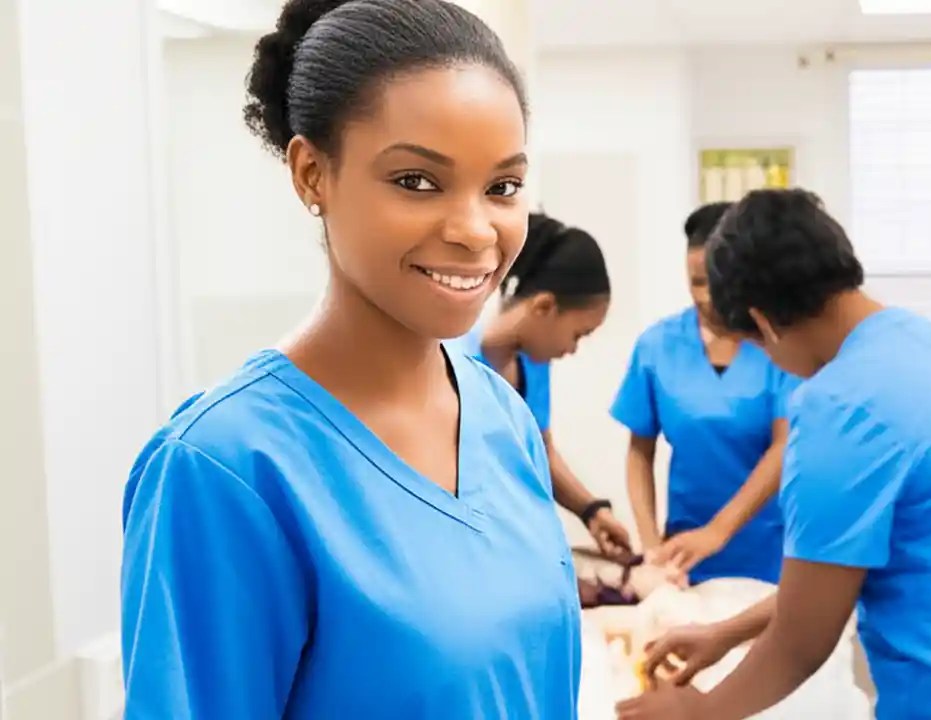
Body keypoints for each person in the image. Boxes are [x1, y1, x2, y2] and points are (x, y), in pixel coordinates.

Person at [120, 1, 580, 717]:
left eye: (503, 187)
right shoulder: (224, 468)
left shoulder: (502, 419)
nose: (474, 230)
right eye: (417, 182)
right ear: (312, 174)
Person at [617, 189, 931, 720]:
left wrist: (701, 713)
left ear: (763, 324)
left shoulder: (839, 407)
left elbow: (803, 641)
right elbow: (835, 577)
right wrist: (726, 633)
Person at [611, 202, 795, 584]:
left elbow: (785, 445)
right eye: (696, 282)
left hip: (770, 557)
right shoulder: (658, 346)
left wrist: (718, 532)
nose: (706, 297)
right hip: (684, 557)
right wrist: (651, 548)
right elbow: (639, 452)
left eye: (716, 282)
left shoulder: (778, 345)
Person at [451, 212, 632, 559]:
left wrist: (591, 511)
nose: (573, 349)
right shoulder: (450, 360)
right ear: (544, 307)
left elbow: (539, 449)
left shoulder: (533, 365)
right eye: (578, 334)